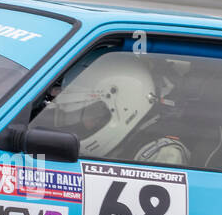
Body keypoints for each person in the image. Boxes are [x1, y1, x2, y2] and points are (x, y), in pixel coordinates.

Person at [33, 52, 190, 165]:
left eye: (91, 112)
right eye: (78, 114)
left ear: (125, 109)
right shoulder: (118, 145)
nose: (84, 123)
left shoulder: (162, 155)